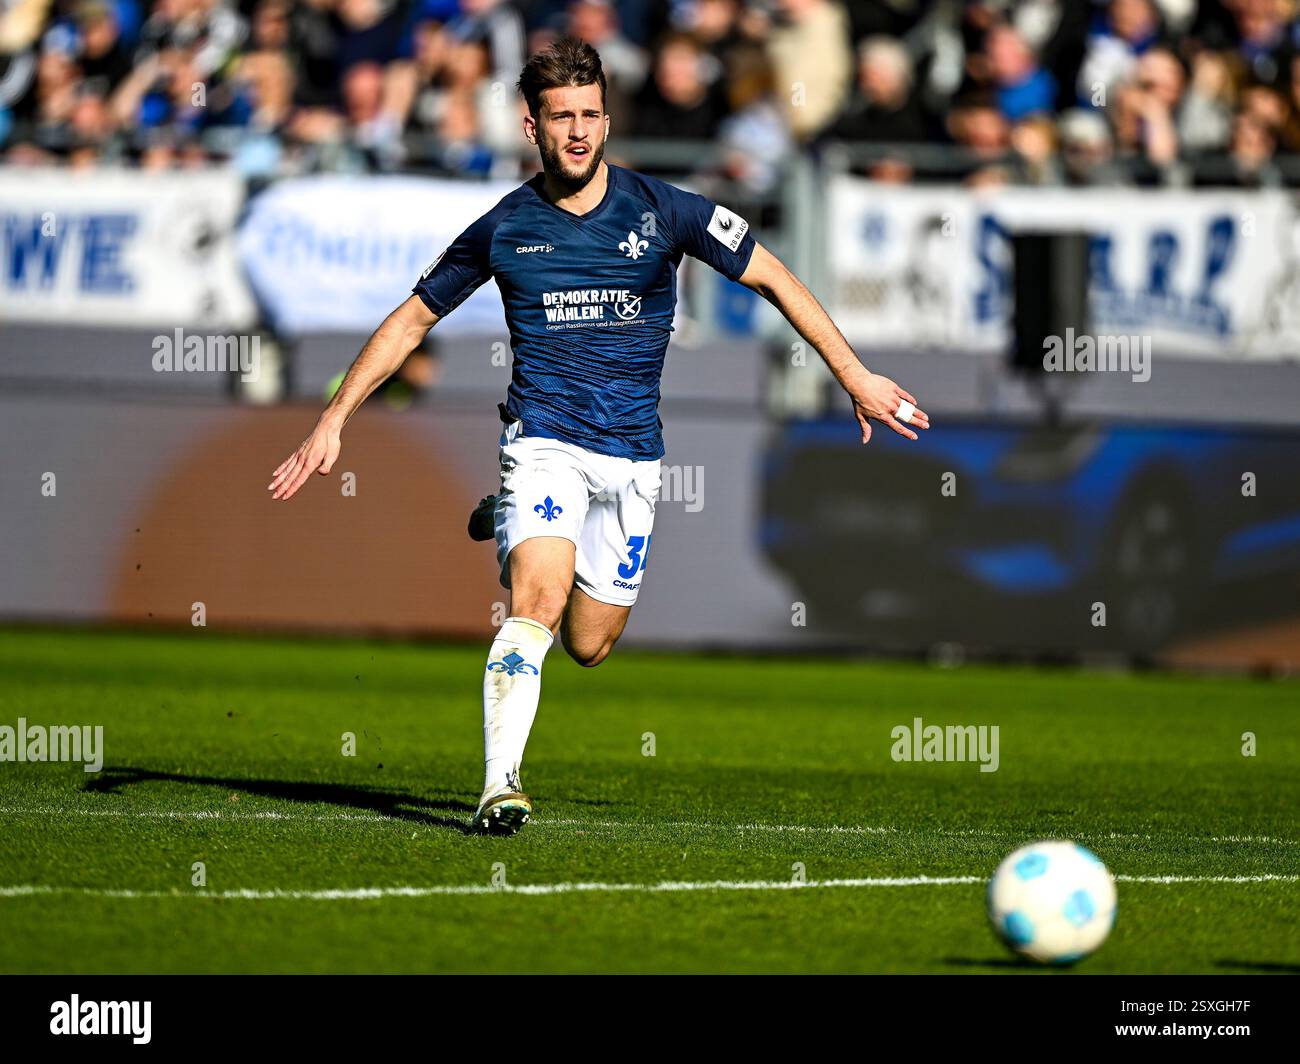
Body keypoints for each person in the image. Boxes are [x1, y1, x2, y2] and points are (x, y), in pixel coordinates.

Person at [267, 36, 929, 835]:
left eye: (589, 114)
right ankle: (499, 784)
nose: (576, 131)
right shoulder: (504, 227)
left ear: (607, 119)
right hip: (544, 440)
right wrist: (336, 417)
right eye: (559, 117)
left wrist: (853, 375)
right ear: (531, 127)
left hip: (633, 459)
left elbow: (773, 274)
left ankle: (505, 518)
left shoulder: (666, 209)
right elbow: (413, 319)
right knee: (536, 605)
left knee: (589, 644)